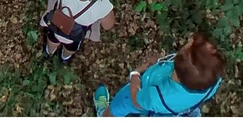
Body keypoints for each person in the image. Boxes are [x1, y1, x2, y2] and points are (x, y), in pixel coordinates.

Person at [93, 33, 225, 117]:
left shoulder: (159, 96)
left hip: (142, 94)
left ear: (178, 67)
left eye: (187, 47)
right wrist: (159, 64)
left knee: (119, 106)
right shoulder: (213, 79)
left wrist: (135, 74)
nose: (189, 39)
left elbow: (136, 100)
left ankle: (104, 114)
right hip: (176, 108)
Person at [41, 0, 115, 61]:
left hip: (55, 26)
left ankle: (49, 51)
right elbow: (108, 25)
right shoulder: (103, 6)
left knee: (52, 40)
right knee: (70, 48)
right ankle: (65, 57)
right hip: (74, 35)